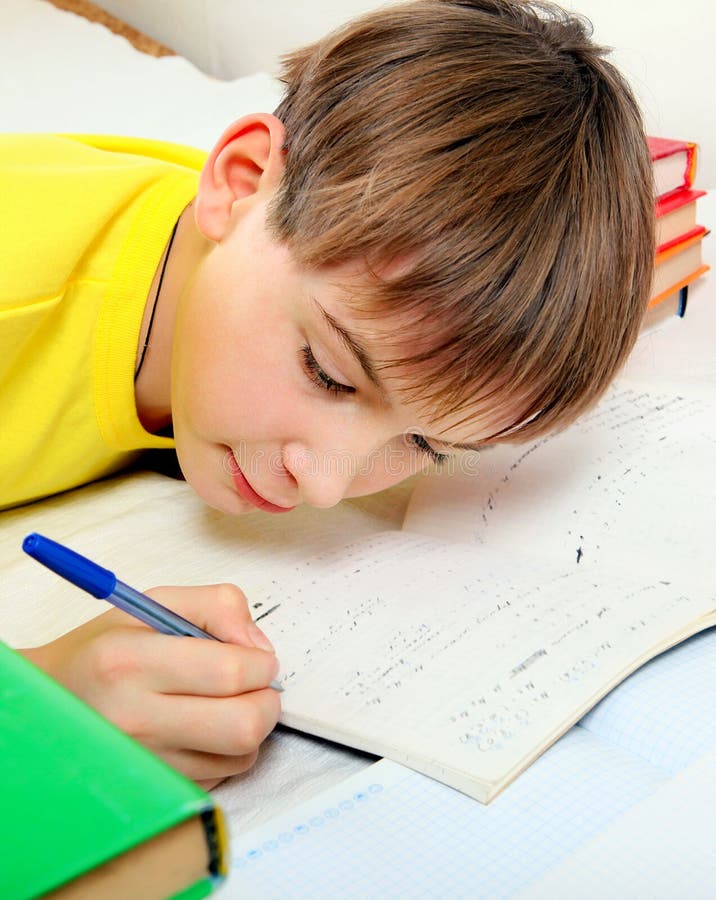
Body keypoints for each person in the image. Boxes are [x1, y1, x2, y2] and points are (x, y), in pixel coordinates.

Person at [3, 0, 655, 786]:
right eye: (328, 373)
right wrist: (33, 705)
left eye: (422, 446)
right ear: (240, 183)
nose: (326, 485)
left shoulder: (265, 263)